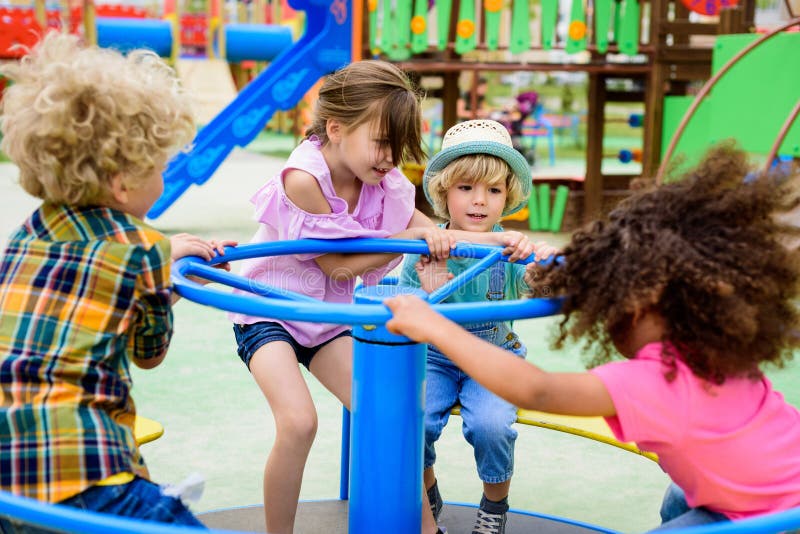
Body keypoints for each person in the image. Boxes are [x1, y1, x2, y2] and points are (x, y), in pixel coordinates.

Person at [386, 145, 800, 530]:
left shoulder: (655, 380)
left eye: (611, 307)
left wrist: (433, 324)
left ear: (644, 306)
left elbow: (539, 390)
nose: (607, 319)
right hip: (766, 487)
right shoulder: (720, 351)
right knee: (682, 496)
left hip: (774, 520)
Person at [0, 32, 234, 527]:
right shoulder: (142, 248)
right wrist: (166, 281)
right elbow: (148, 355)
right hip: (83, 469)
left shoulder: (26, 236)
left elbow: (82, 276)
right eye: (159, 167)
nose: (163, 178)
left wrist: (164, 260)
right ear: (122, 181)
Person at [228, 59, 468, 534]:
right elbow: (336, 266)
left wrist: (506, 241)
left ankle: (427, 528)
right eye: (382, 142)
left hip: (326, 317)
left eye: (398, 148)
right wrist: (408, 235)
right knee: (299, 422)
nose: (390, 158)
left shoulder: (384, 183)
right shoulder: (303, 178)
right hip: (269, 312)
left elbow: (436, 231)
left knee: (389, 410)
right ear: (335, 128)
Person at [399, 119, 553, 534]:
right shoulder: (425, 246)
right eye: (466, 188)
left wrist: (543, 262)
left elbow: (539, 284)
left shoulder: (510, 247)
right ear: (444, 193)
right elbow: (408, 310)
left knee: (491, 426)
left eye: (493, 190)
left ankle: (494, 508)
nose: (479, 202)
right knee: (413, 420)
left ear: (508, 196)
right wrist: (433, 281)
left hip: (494, 356)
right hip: (434, 357)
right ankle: (428, 496)